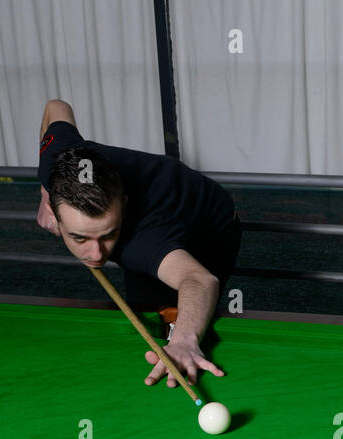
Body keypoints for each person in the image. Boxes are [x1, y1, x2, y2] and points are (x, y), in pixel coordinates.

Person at [35, 99, 240, 388]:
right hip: (158, 206)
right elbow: (57, 107)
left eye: (107, 235)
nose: (96, 254)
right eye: (80, 237)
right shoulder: (58, 160)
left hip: (210, 226)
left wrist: (183, 341)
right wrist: (46, 191)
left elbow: (200, 279)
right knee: (141, 310)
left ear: (125, 207)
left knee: (172, 318)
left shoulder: (142, 240)